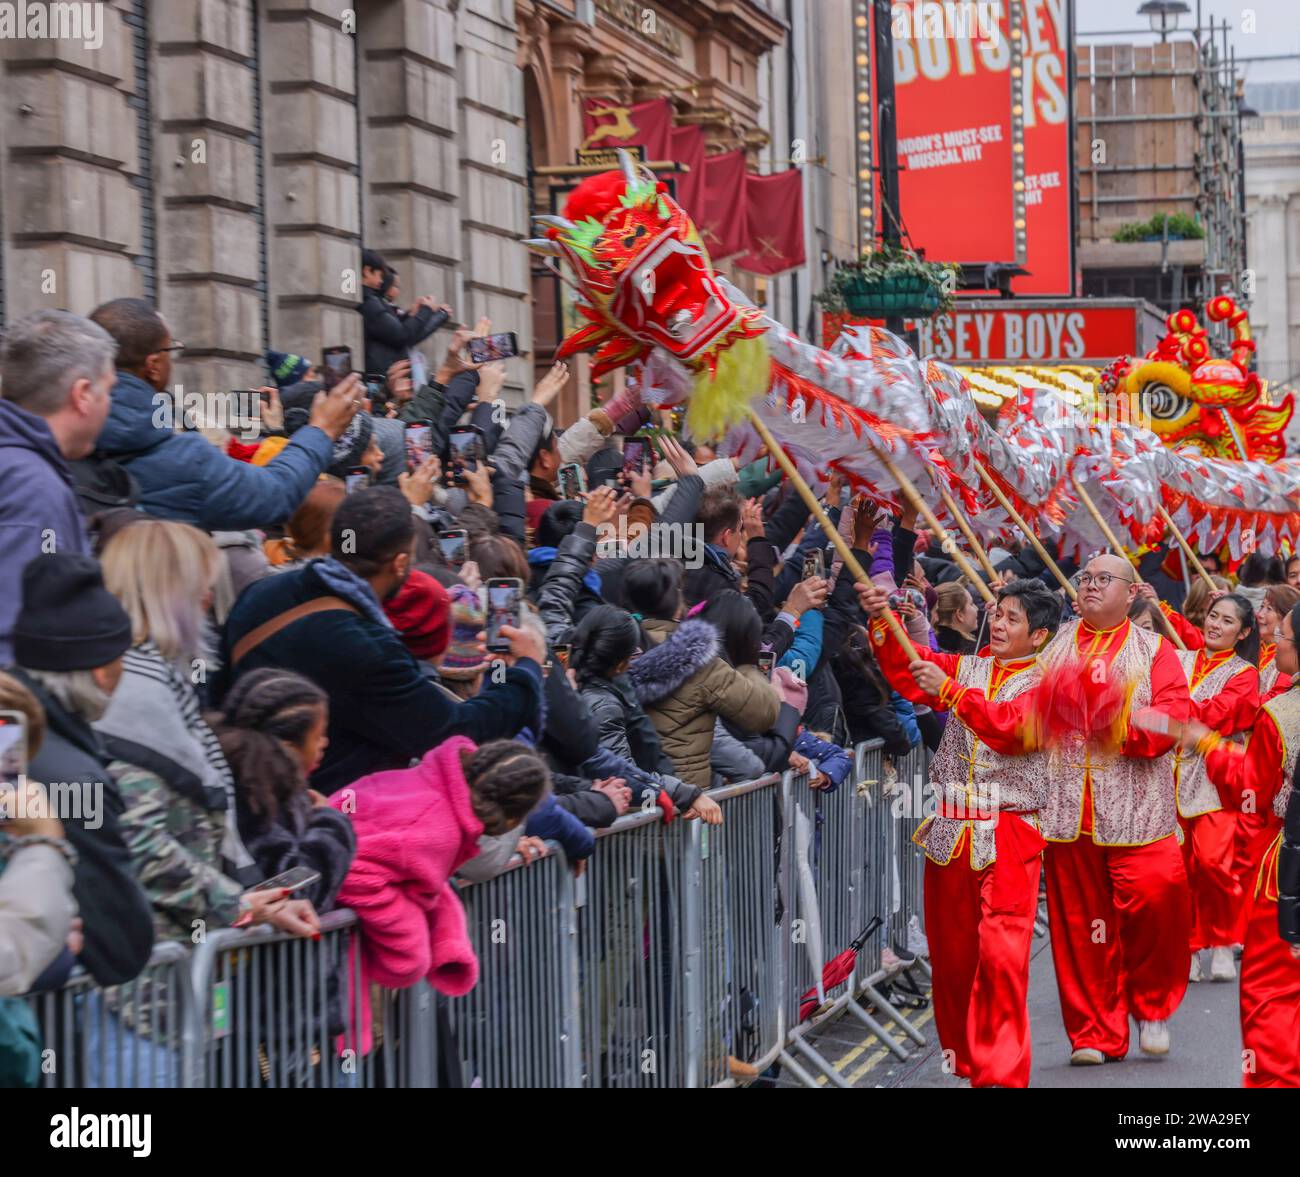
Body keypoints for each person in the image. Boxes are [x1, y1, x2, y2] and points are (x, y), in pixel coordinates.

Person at [860, 577, 1060, 1088]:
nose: (998, 624)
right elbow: (910, 671)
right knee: (954, 962)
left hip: (1010, 832)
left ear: (1038, 636)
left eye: (1013, 619)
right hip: (951, 831)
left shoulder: (1049, 685)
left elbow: (1013, 730)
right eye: (998, 614)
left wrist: (951, 692)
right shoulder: (970, 667)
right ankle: (968, 1063)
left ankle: (1001, 1076)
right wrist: (885, 621)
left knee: (1001, 958)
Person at [218, 487, 545, 793]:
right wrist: (524, 671)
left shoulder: (261, 593)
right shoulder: (364, 648)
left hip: (242, 785)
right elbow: (454, 734)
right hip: (322, 811)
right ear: (401, 563)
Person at [96, 521, 320, 944]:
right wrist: (234, 904)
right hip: (146, 969)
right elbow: (139, 842)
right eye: (198, 587)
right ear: (165, 594)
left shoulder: (159, 683)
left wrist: (256, 904)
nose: (207, 601)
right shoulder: (135, 694)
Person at [1035, 553, 1192, 1063]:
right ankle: (1093, 1033)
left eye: (1105, 579)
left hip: (1140, 814)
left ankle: (1152, 1003)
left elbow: (1172, 717)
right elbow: (1021, 705)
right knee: (1082, 927)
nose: (1091, 586)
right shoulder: (1054, 646)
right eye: (1086, 579)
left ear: (1131, 592)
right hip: (1067, 815)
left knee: (1156, 903)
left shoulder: (1155, 649)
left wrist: (1116, 722)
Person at [328, 736, 552, 1050]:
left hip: (322, 921)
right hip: (320, 928)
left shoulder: (437, 791)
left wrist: (445, 936)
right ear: (513, 819)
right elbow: (354, 870)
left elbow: (415, 877)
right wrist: (407, 941)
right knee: (338, 1059)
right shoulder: (437, 829)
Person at [6, 554, 155, 986]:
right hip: (35, 1025)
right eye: (122, 659)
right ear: (100, 673)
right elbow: (119, 944)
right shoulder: (74, 779)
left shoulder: (13, 741)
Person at [89, 298, 361, 529]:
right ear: (153, 365)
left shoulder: (55, 429)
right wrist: (322, 430)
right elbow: (273, 495)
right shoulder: (184, 460)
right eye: (171, 349)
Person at [1181, 601, 1300, 1087]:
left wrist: (1209, 746)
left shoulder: (1283, 713)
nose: (1278, 645)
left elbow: (1253, 791)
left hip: (1287, 873)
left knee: (1273, 995)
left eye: (1285, 637)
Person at [0, 310, 116, 663]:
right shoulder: (29, 485)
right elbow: (12, 640)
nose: (111, 405)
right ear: (82, 394)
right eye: (109, 390)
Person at [1169, 593, 1259, 984]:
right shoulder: (1179, 659)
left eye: (1226, 621)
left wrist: (1174, 708)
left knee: (1213, 863)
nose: (1215, 625)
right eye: (1212, 616)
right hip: (1167, 776)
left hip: (1215, 779)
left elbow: (1220, 715)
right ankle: (1188, 947)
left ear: (1243, 633)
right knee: (1175, 870)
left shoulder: (1245, 674)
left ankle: (1223, 940)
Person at [624, 567, 780, 792]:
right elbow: (763, 713)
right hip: (685, 806)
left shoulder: (612, 652)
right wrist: (747, 665)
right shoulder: (699, 659)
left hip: (628, 804)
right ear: (678, 604)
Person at [213, 669, 357, 912]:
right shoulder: (257, 801)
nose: (325, 743)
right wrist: (330, 823)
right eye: (318, 736)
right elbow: (297, 892)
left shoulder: (236, 783)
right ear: (288, 748)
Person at [571, 604, 716, 822]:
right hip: (594, 824)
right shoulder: (604, 706)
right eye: (633, 655)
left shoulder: (568, 685)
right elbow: (621, 775)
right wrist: (685, 792)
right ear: (622, 664)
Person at [358, 249, 451, 377]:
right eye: (380, 274)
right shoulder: (368, 301)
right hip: (384, 379)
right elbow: (402, 335)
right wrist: (426, 310)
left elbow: (394, 328)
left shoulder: (371, 300)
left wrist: (412, 314)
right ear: (367, 271)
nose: (381, 280)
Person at [932, 581, 980, 654]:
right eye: (971, 604)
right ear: (959, 614)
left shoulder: (933, 645)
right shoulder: (965, 653)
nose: (977, 608)